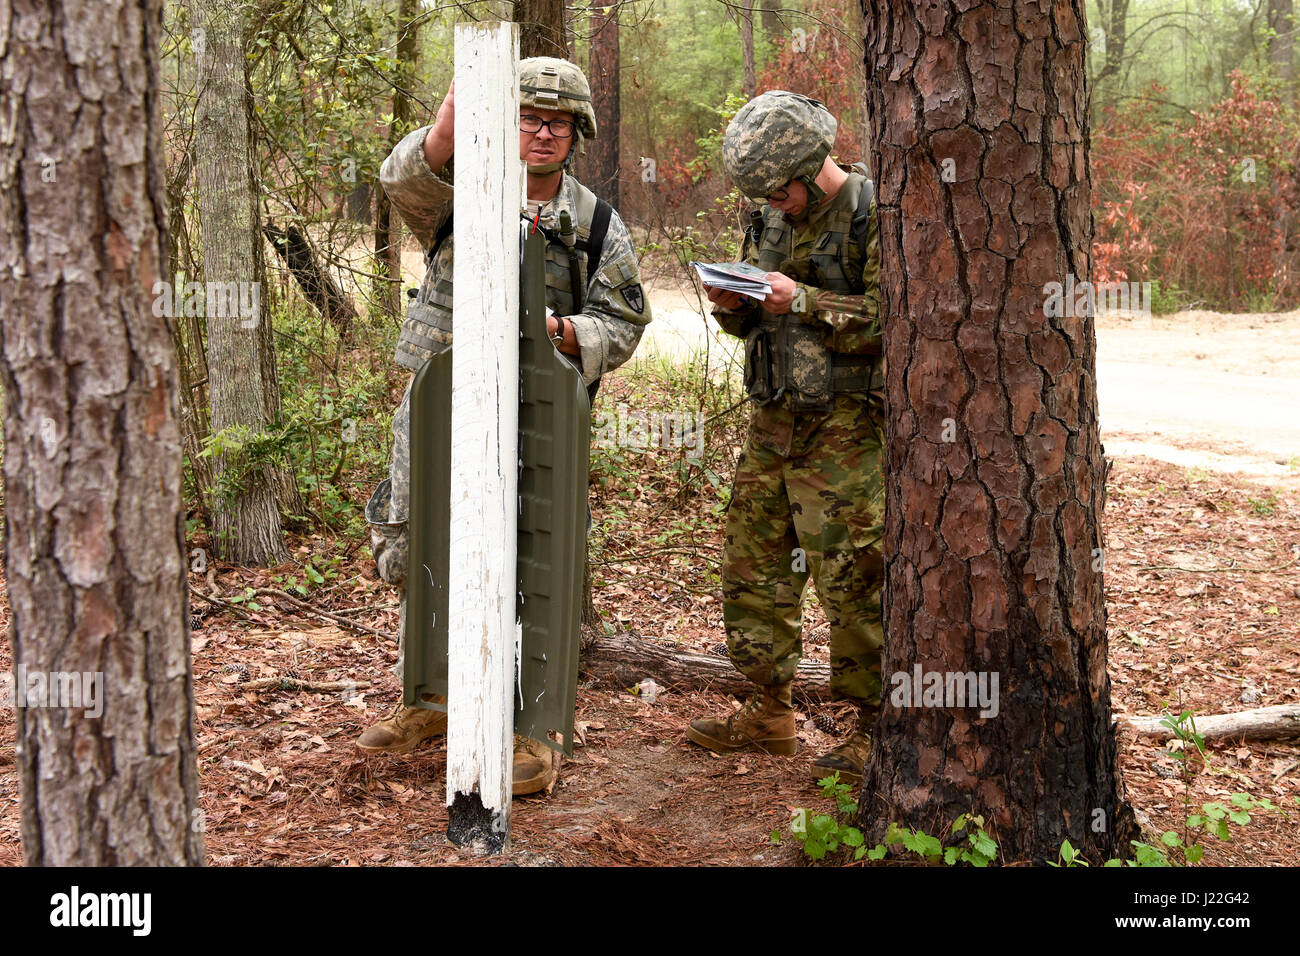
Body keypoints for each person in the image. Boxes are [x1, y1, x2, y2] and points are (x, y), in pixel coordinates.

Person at [359, 58, 651, 795]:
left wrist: (565, 333)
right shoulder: (461, 196)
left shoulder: (596, 224)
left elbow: (624, 322)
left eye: (557, 121)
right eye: (528, 116)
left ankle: (536, 731)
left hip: (539, 415)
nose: (543, 131)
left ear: (576, 131)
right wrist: (447, 129)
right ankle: (434, 698)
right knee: (420, 540)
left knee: (537, 560)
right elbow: (402, 183)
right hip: (442, 401)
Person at [685, 90, 885, 784]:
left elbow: (896, 322)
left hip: (846, 432)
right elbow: (754, 323)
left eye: (779, 190)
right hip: (771, 423)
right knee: (754, 570)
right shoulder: (769, 218)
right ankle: (768, 709)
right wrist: (734, 306)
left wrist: (801, 299)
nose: (771, 203)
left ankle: (874, 729)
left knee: (853, 578)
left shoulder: (869, 213)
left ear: (810, 164)